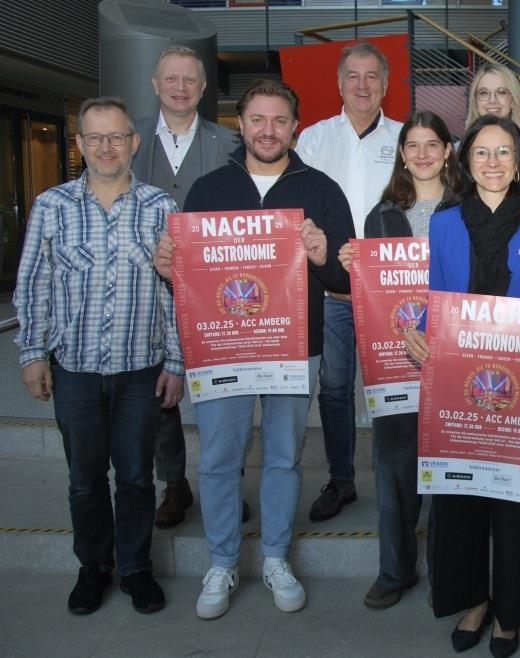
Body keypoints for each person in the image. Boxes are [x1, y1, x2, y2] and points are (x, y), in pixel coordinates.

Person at [154, 79, 354, 619]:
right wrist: (168, 269)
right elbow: (189, 283)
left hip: (293, 347)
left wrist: (322, 258)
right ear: (239, 125)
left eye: (280, 120)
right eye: (258, 120)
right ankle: (221, 561)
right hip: (222, 347)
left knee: (285, 458)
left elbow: (345, 279)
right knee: (219, 458)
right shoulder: (207, 191)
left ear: (295, 127)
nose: (268, 130)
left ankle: (274, 556)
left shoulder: (323, 190)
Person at [403, 114, 520, 657]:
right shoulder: (444, 224)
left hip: (519, 386)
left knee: (512, 504)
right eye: (481, 153)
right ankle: (472, 600)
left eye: (503, 152)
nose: (492, 163)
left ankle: (508, 612)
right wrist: (417, 336)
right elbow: (437, 297)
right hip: (458, 383)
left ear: (519, 162)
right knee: (460, 500)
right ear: (465, 162)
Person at [15, 96, 184, 615]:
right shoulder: (51, 206)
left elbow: (175, 291)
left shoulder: (161, 207)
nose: (106, 147)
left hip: (140, 369)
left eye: (116, 137)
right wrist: (32, 353)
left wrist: (175, 362)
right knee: (85, 480)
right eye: (95, 137)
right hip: (75, 371)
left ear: (133, 142)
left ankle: (135, 569)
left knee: (135, 477)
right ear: (80, 144)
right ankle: (93, 567)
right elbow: (33, 283)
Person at [336, 111, 457, 609]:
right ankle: (395, 570)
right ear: (402, 153)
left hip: (454, 354)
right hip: (397, 361)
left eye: (433, 144)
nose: (423, 154)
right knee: (394, 467)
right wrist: (352, 267)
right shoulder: (381, 216)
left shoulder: (468, 209)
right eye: (414, 145)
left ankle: (447, 574)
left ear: (449, 151)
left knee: (450, 469)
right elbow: (372, 296)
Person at [133, 44, 241, 530]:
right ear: (156, 85)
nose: (180, 88)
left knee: (226, 389)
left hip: (220, 292)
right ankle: (174, 483)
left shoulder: (230, 143)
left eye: (190, 80)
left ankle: (228, 480)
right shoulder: (129, 139)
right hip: (148, 288)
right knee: (161, 391)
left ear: (202, 88)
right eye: (171, 79)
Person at [296, 41, 403, 522]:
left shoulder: (405, 139)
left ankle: (399, 482)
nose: (362, 85)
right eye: (353, 76)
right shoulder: (314, 140)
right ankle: (342, 479)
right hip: (332, 291)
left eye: (371, 76)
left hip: (393, 297)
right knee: (335, 388)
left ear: (385, 85)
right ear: (339, 84)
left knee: (395, 389)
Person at [466, 62, 520, 205]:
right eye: (484, 93)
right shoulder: (458, 149)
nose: (492, 100)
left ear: (513, 100)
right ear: (475, 101)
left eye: (501, 92)